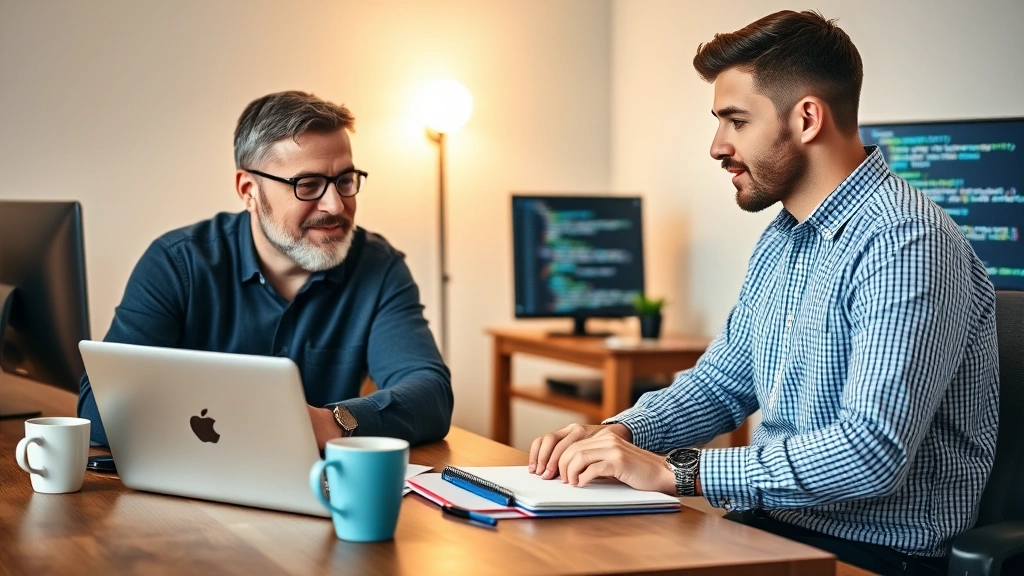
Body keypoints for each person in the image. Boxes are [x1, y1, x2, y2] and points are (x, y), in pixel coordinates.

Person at [528, 10, 997, 575]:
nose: (717, 146)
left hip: (872, 553)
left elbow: (871, 452)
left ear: (805, 119)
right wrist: (619, 433)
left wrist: (676, 472)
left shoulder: (907, 242)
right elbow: (722, 385)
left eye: (736, 121)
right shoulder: (783, 239)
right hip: (772, 527)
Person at [78, 90, 453, 449]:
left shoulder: (379, 267)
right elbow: (99, 411)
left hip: (318, 491)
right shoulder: (177, 264)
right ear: (249, 191)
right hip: (194, 493)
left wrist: (332, 422)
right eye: (308, 185)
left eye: (344, 180)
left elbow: (430, 394)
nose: (336, 205)